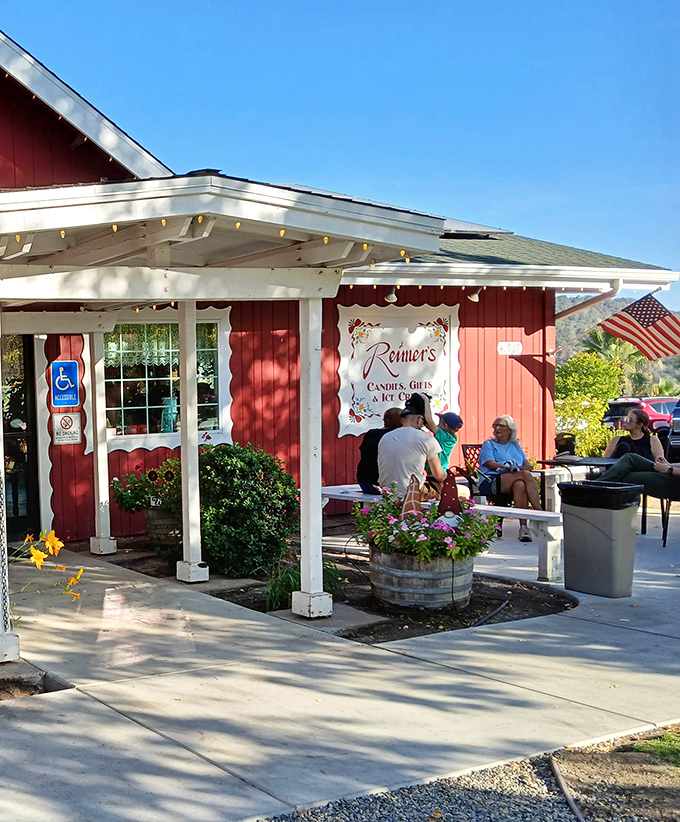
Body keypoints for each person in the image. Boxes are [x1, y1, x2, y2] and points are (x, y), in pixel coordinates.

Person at [478, 414, 543, 542]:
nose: (497, 428)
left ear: (510, 429)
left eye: (501, 425)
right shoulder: (489, 444)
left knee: (520, 485)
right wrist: (509, 467)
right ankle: (539, 512)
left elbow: (527, 464)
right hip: (491, 480)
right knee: (523, 475)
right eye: (495, 425)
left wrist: (521, 467)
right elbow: (490, 464)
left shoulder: (515, 445)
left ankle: (524, 528)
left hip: (512, 480)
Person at [378, 403, 446, 496]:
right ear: (419, 420)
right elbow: (439, 475)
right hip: (413, 492)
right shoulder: (426, 438)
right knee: (463, 491)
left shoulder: (385, 437)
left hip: (387, 491)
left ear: (402, 421)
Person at [356, 407, 403, 494]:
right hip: (382, 483)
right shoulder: (396, 437)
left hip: (364, 481)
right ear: (402, 421)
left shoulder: (371, 434)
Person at [600, 452, 680, 498]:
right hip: (673, 473)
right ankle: (593, 489)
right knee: (631, 458)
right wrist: (668, 465)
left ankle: (592, 491)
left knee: (626, 477)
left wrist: (669, 469)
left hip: (675, 483)